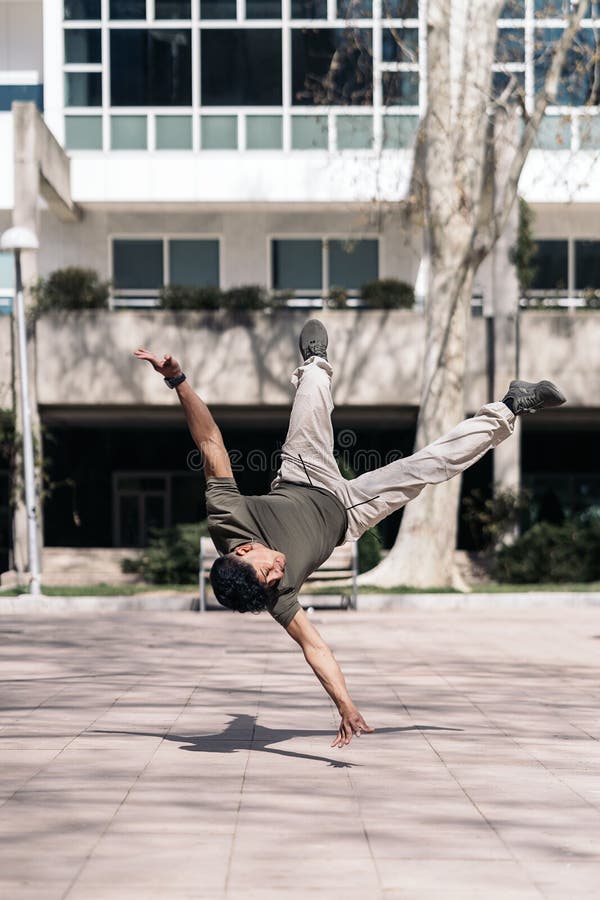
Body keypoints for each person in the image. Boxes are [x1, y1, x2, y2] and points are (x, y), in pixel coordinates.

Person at [134, 320, 566, 749]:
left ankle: (316, 363)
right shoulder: (274, 594)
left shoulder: (226, 515)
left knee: (312, 394)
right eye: (273, 580)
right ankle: (512, 404)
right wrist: (345, 705)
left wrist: (177, 380)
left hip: (302, 472)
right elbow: (315, 649)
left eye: (267, 568)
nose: (279, 569)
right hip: (349, 510)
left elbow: (209, 441)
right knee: (429, 467)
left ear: (243, 550)